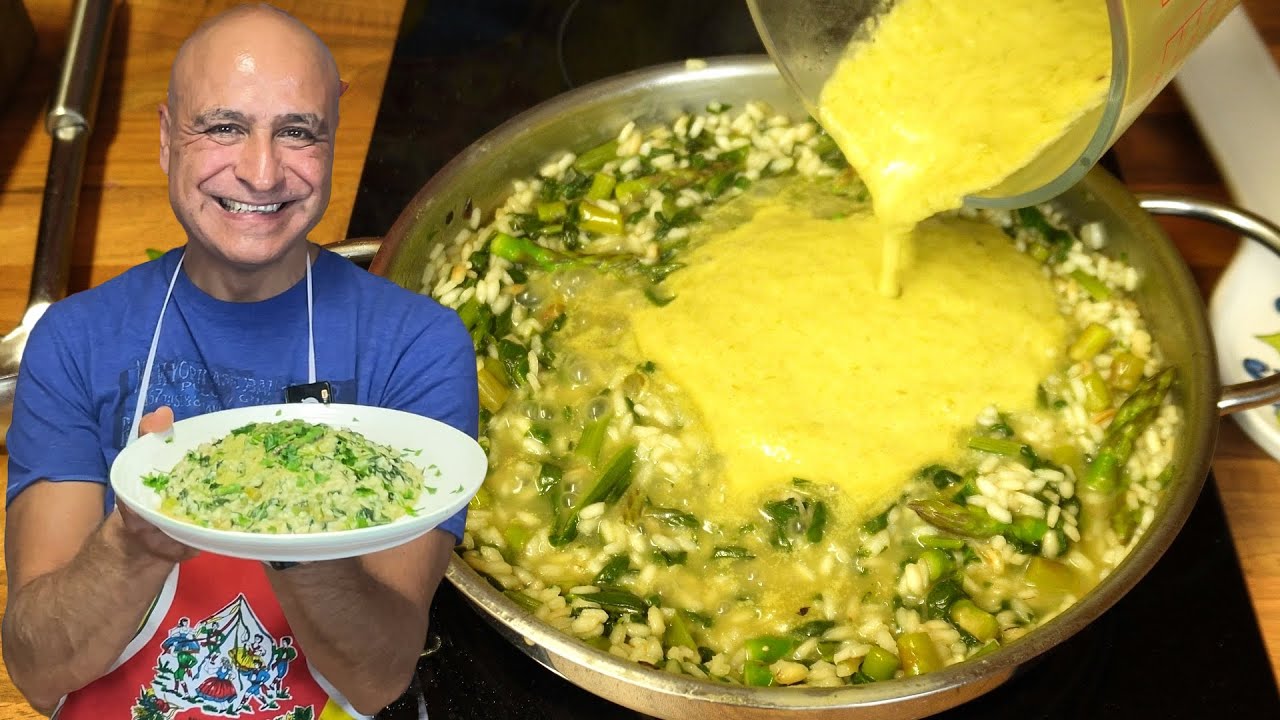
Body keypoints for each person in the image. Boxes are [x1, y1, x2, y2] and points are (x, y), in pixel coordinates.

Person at [1, 4, 478, 719]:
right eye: (223, 127)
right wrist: (134, 544)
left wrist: (287, 519)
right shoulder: (76, 342)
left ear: (333, 143)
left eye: (297, 132)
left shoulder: (417, 347)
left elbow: (379, 677)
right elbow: (38, 672)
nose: (260, 172)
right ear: (166, 140)